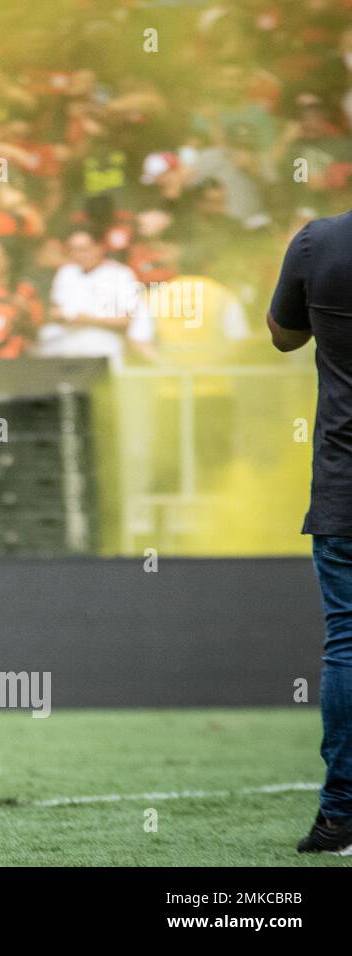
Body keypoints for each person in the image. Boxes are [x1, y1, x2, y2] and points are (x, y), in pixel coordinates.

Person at [267, 211, 352, 855]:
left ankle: (341, 811)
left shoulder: (319, 240)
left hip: (343, 483)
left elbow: (283, 337)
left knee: (348, 644)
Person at [38, 227, 156, 367]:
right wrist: (60, 316)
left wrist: (85, 319)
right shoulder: (66, 272)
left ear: (99, 248)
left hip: (103, 344)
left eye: (84, 249)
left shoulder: (120, 274)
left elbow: (126, 321)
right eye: (73, 250)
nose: (79, 255)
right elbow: (55, 310)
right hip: (66, 344)